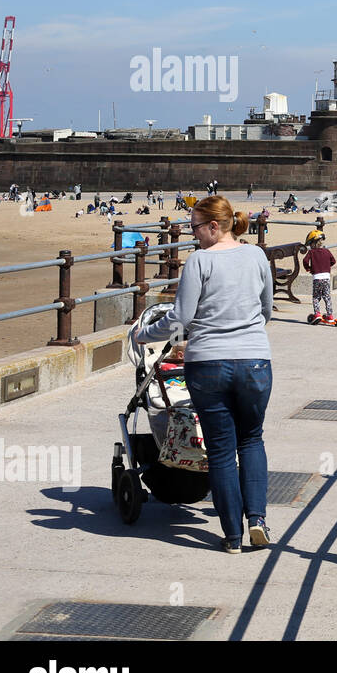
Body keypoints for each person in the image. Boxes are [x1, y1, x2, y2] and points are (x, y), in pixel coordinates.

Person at [132, 195, 274, 554]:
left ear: (213, 226)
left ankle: (233, 537)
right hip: (255, 361)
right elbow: (266, 308)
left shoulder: (199, 261)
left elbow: (180, 320)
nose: (193, 234)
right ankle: (257, 519)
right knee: (252, 440)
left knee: (223, 450)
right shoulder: (257, 255)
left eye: (195, 226)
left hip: (209, 364)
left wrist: (144, 334)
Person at [302, 230, 337, 326]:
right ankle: (330, 315)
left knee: (316, 297)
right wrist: (327, 266)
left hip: (317, 278)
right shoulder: (326, 251)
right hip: (326, 278)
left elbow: (305, 261)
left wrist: (308, 269)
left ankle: (317, 313)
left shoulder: (311, 252)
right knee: (327, 297)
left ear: (312, 243)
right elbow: (333, 261)